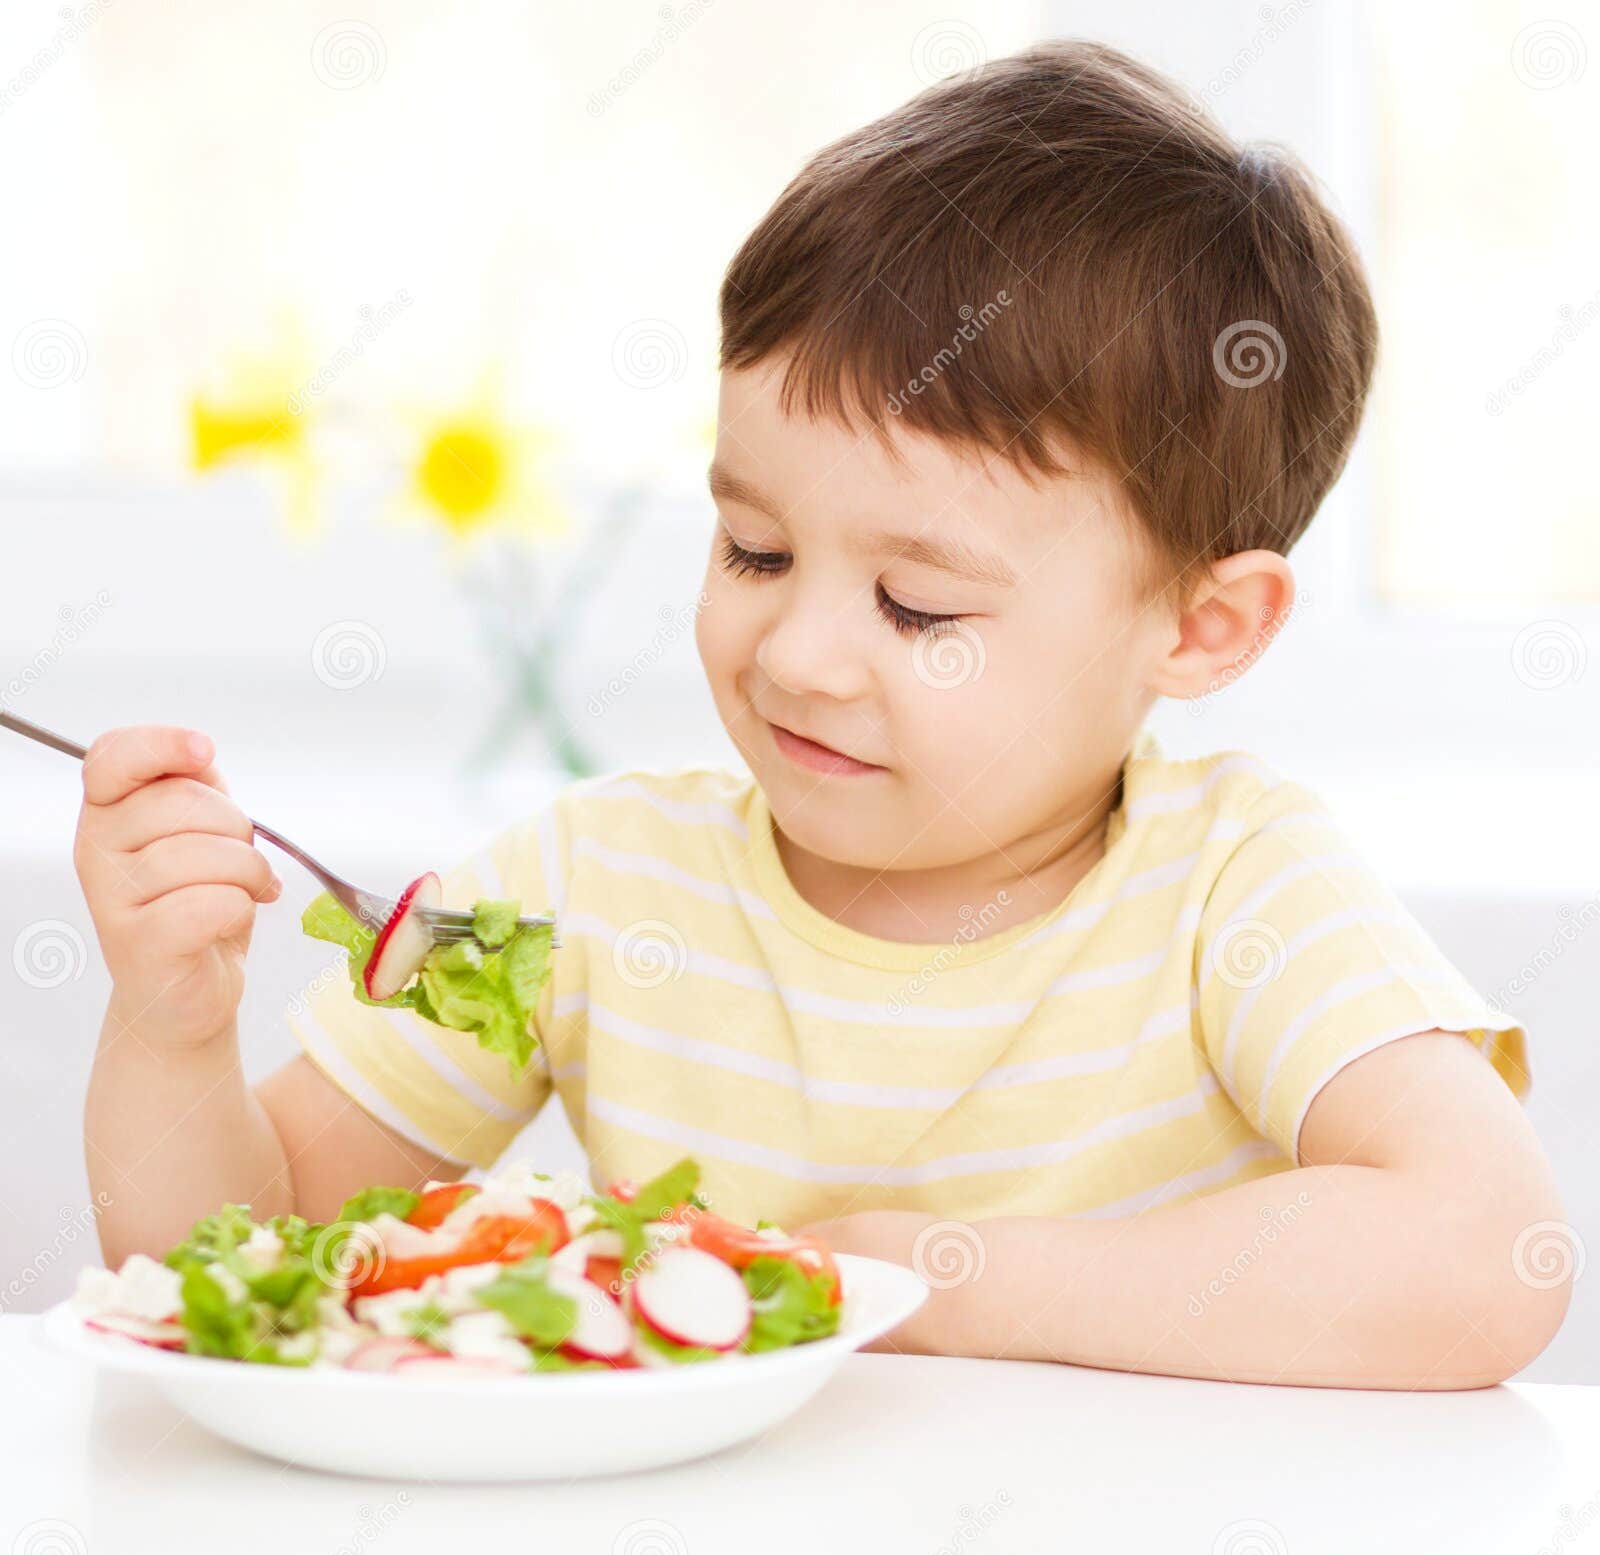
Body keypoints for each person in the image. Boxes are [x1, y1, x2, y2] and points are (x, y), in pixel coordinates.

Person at [77, 42, 1568, 1389]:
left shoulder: (1236, 889)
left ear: (1200, 624)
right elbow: (231, 1258)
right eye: (755, 551)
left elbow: (1489, 1257)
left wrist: (946, 1281)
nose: (795, 653)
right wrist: (172, 1027)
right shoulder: (587, 886)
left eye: (918, 608)